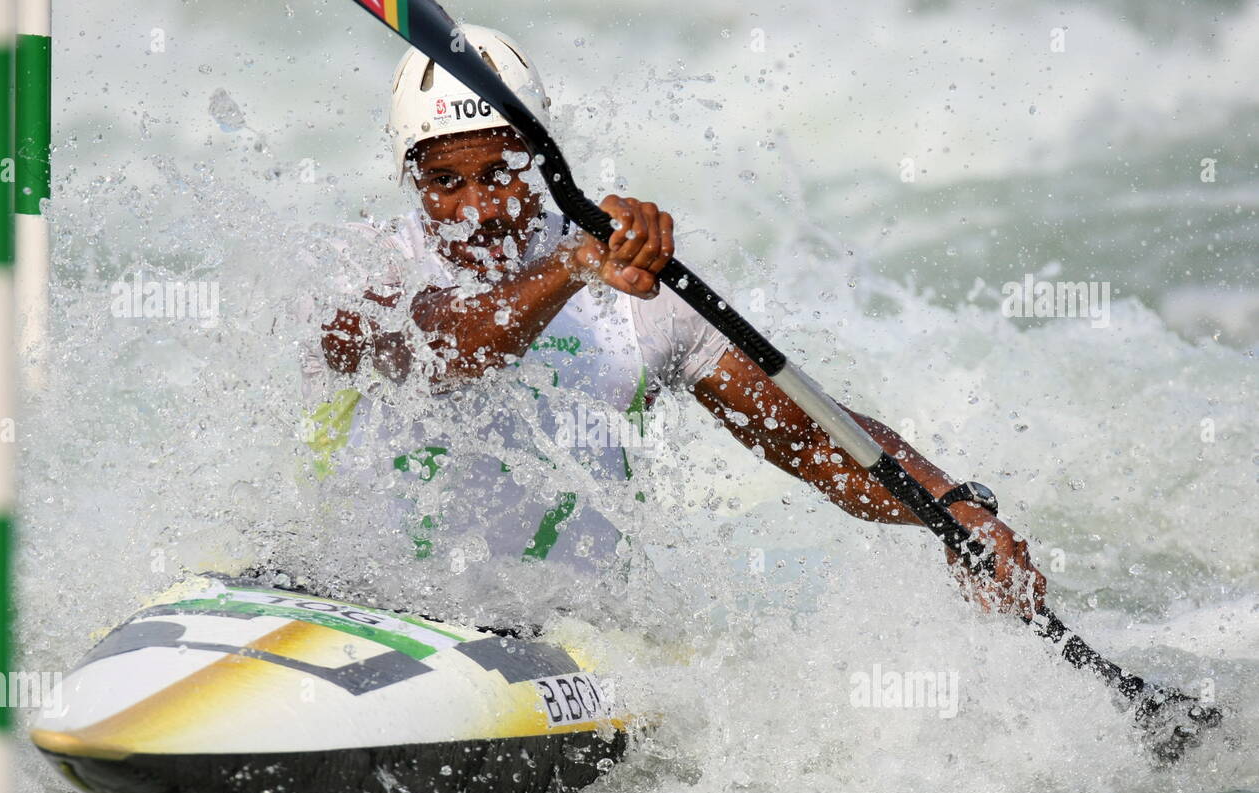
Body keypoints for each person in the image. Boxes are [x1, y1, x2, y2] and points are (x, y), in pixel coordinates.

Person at [301, 23, 1046, 615]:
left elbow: (811, 439)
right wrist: (569, 266)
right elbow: (452, 349)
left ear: (540, 159)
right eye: (445, 182)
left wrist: (953, 514)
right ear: (409, 177)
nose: (479, 209)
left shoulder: (639, 297)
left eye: (501, 173)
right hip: (374, 609)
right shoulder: (369, 271)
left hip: (565, 639)